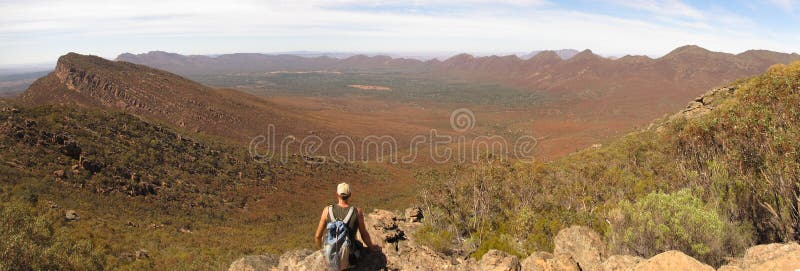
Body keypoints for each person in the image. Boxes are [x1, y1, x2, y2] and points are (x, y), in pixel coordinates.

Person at [315, 182, 379, 269]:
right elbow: (364, 234)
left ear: (337, 194)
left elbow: (318, 236)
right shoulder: (357, 212)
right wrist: (371, 247)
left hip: (330, 256)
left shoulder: (327, 210)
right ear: (350, 195)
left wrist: (321, 250)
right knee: (358, 245)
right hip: (350, 256)